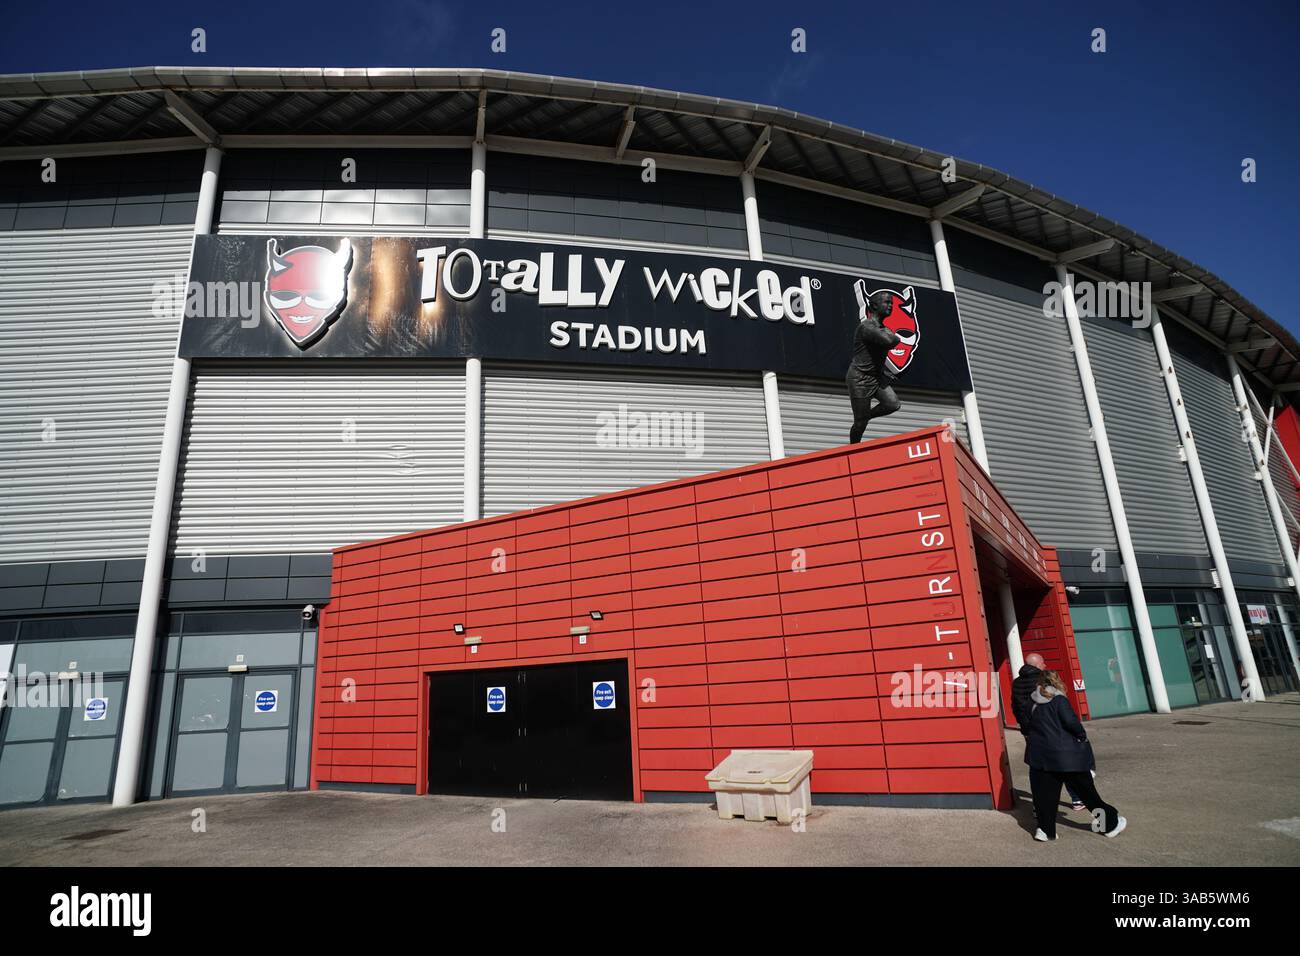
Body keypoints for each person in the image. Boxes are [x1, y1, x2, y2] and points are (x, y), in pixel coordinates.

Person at [1024, 669, 1126, 842]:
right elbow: (1072, 723)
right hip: (1067, 758)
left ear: (1039, 683)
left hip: (1040, 757)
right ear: (1057, 682)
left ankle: (1044, 830)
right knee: (1087, 794)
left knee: (1044, 797)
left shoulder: (1031, 702)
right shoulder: (1059, 700)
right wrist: (1081, 736)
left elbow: (1026, 726)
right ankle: (1109, 824)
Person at [1012, 652, 1088, 811]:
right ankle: (1076, 798)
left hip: (1030, 732)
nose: (1045, 665)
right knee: (1064, 763)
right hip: (1051, 729)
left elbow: (1017, 707)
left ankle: (1039, 806)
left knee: (1039, 769)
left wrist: (1025, 728)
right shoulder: (1041, 681)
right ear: (1037, 664)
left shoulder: (1017, 682)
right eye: (1042, 663)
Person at [846, 283, 902, 443]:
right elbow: (890, 341)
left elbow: (890, 338)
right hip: (860, 379)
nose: (891, 305)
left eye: (891, 302)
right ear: (875, 305)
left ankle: (865, 416)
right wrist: (895, 337)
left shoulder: (882, 327)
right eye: (887, 302)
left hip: (876, 377)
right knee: (859, 424)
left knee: (893, 404)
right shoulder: (867, 327)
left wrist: (893, 337)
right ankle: (853, 449)